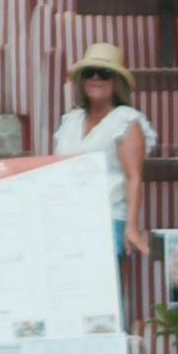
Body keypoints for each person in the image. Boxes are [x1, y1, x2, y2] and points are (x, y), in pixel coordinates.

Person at [54, 37, 154, 259]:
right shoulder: (70, 121)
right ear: (82, 80)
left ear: (117, 81)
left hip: (107, 220)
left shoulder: (125, 121)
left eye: (105, 73)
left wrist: (131, 226)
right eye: (90, 72)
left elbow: (133, 177)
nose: (96, 77)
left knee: (104, 292)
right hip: (67, 219)